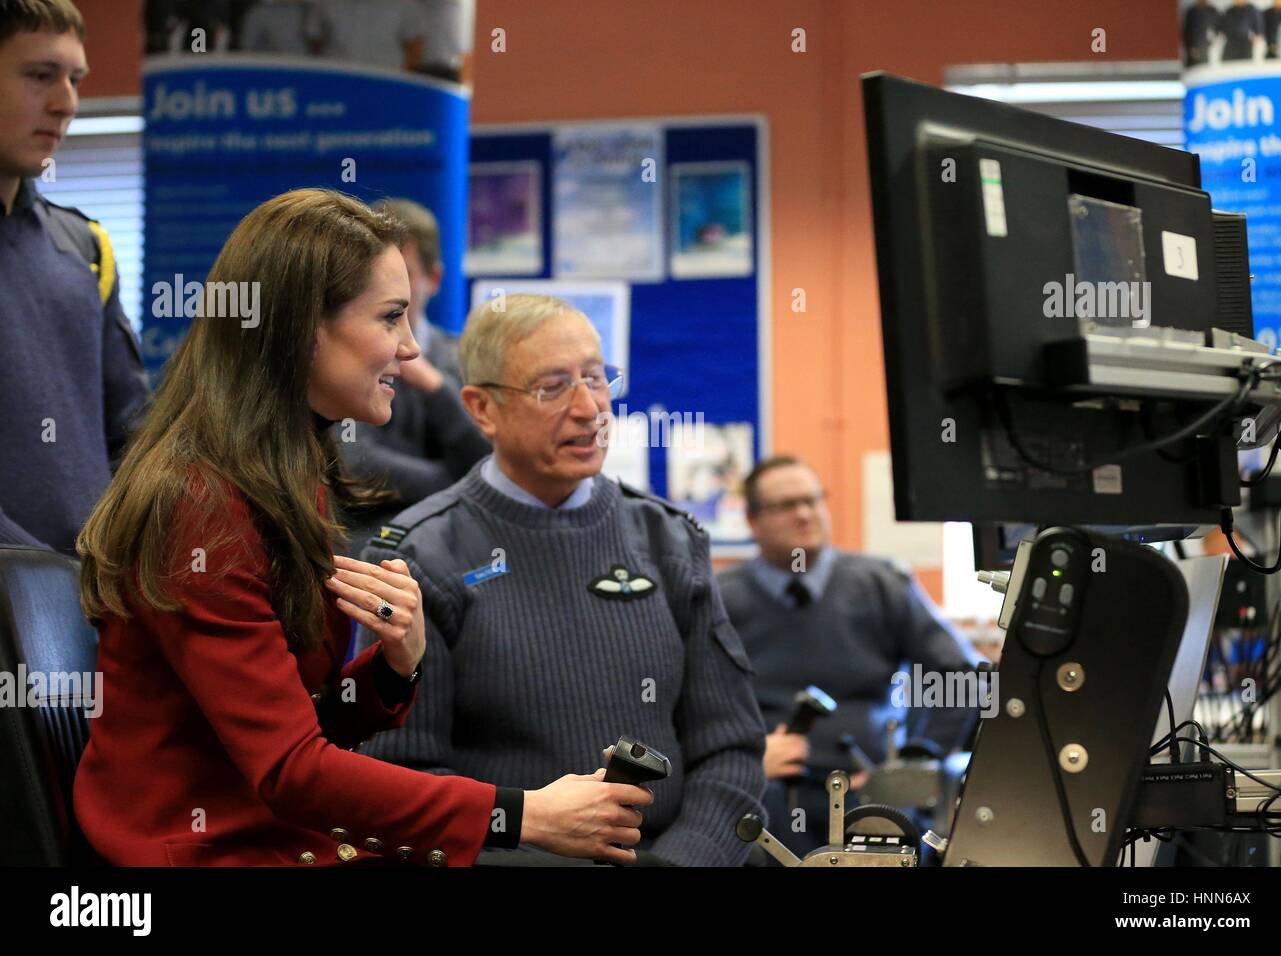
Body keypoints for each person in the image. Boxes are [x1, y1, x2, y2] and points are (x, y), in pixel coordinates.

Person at [73, 190, 651, 867]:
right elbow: (291, 769)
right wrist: (520, 814)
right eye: (391, 318)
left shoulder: (280, 473)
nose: (410, 349)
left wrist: (393, 671)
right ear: (301, 329)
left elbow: (292, 731)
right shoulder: (202, 503)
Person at [358, 292, 767, 866]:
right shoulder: (420, 558)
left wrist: (679, 865)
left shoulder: (669, 540)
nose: (589, 409)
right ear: (481, 409)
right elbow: (402, 782)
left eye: (597, 380)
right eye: (552, 388)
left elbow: (730, 752)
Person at [717, 456, 984, 855]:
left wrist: (915, 762)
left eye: (812, 500)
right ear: (752, 521)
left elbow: (961, 676)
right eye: (786, 505)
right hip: (763, 794)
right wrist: (742, 765)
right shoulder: (720, 599)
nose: (804, 514)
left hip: (871, 794)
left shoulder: (880, 584)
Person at [0, 0, 149, 556]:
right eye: (40, 76)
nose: (66, 103)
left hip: (89, 616)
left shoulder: (86, 247)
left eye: (75, 79)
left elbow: (131, 434)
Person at [336, 198, 489, 556]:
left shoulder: (468, 359)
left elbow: (494, 460)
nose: (388, 287)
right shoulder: (345, 355)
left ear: (434, 279)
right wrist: (459, 481)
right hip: (363, 551)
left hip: (457, 551)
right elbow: (356, 463)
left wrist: (437, 390)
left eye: (406, 274)